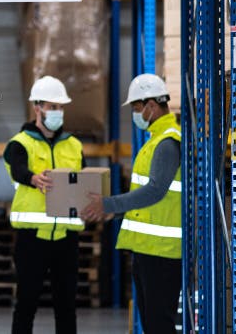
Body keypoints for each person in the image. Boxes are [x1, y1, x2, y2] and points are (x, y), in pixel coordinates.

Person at [82, 74, 181, 334]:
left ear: (151, 105)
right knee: (152, 324)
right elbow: (144, 197)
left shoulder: (167, 143)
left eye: (137, 108)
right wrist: (114, 214)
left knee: (159, 325)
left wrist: (109, 205)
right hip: (148, 250)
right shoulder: (154, 141)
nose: (136, 115)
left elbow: (155, 191)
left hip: (162, 252)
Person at [3, 75, 84, 334]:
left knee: (66, 306)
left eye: (60, 107)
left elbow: (82, 181)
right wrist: (33, 178)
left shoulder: (74, 145)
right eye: (52, 106)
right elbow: (17, 169)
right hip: (32, 239)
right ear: (37, 107)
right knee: (26, 304)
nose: (57, 112)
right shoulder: (20, 143)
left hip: (66, 238)